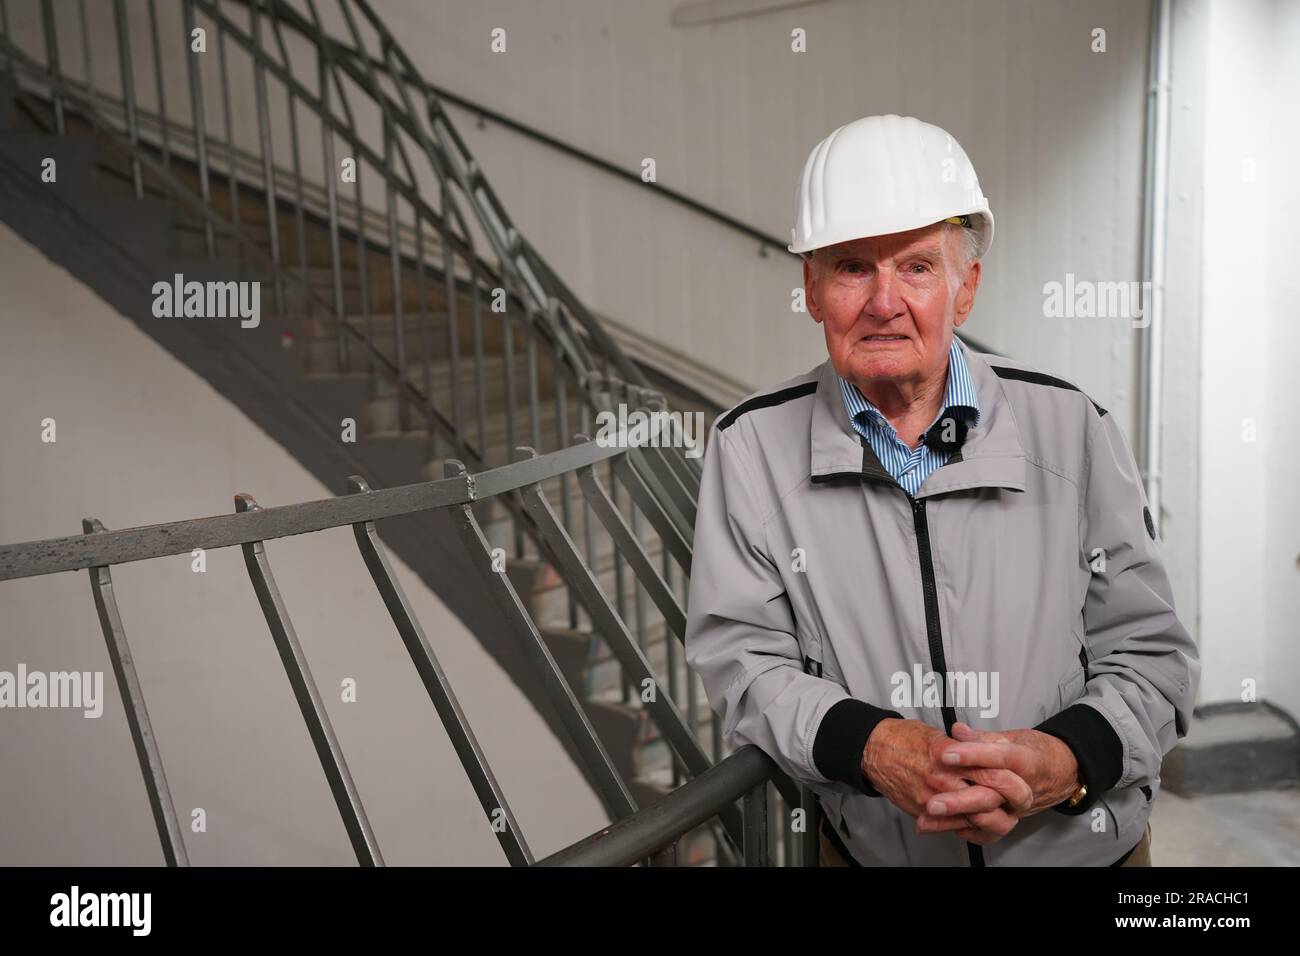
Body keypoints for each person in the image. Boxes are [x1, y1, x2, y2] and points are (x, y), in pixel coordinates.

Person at [683, 115, 1199, 866]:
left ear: (966, 289)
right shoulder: (751, 447)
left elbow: (1152, 653)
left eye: (918, 267)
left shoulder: (1070, 426)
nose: (884, 301)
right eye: (853, 266)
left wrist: (1066, 761)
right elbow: (743, 661)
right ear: (813, 289)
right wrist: (871, 744)